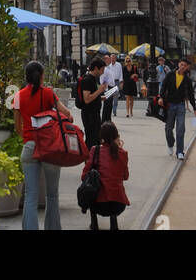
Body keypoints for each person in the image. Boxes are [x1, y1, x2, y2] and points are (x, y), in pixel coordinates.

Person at [13, 60, 72, 231]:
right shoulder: (48, 94)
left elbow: (18, 127)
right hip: (50, 149)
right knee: (52, 195)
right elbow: (66, 113)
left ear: (26, 77)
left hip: (29, 147)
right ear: (42, 76)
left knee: (30, 195)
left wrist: (28, 137)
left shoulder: (18, 96)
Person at [82, 120, 130, 231]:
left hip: (98, 205)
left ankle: (94, 223)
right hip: (118, 205)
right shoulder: (122, 153)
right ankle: (113, 221)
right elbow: (126, 176)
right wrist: (120, 149)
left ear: (101, 137)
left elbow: (84, 175)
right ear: (116, 136)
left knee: (91, 187)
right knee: (112, 189)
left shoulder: (95, 150)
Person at [158, 56, 196, 160]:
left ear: (187, 68)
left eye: (185, 66)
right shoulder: (170, 75)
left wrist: (194, 108)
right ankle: (170, 144)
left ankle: (180, 151)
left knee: (180, 129)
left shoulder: (187, 80)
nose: (183, 67)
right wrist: (161, 97)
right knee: (168, 128)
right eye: (181, 65)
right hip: (170, 104)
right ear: (178, 64)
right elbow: (163, 87)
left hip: (181, 105)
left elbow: (191, 94)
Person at [80, 56, 108, 147]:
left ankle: (93, 158)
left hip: (94, 114)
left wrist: (100, 97)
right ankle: (89, 159)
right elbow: (87, 99)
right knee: (91, 140)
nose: (103, 72)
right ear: (96, 68)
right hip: (89, 115)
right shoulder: (87, 80)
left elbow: (92, 96)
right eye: (102, 70)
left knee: (96, 139)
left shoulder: (92, 79)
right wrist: (99, 91)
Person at [100, 52, 124, 120]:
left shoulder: (109, 67)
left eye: (110, 58)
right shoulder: (104, 68)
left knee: (110, 104)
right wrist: (107, 89)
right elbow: (104, 80)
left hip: (112, 87)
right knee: (107, 105)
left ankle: (108, 119)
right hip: (108, 88)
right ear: (105, 60)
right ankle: (105, 120)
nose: (110, 60)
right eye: (108, 59)